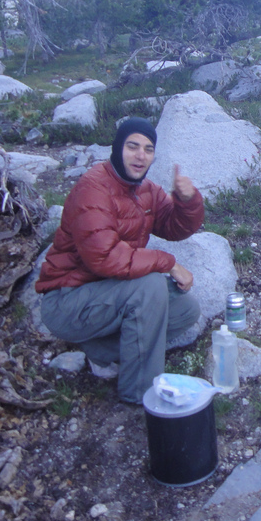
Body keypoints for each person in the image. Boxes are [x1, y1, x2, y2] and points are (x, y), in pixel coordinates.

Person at [35, 117, 204, 404]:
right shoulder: (93, 188)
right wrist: (168, 263)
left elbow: (173, 227)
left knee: (185, 310)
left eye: (148, 149)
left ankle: (100, 352)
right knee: (150, 286)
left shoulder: (145, 189)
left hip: (108, 291)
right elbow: (105, 257)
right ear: (117, 147)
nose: (141, 155)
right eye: (133, 146)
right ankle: (140, 393)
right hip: (67, 300)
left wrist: (187, 201)